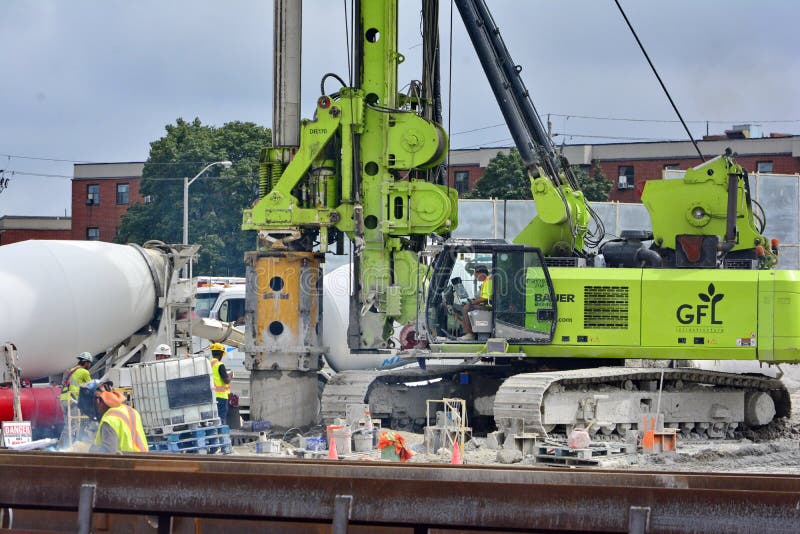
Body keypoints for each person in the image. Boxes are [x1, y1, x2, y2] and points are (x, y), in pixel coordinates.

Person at [83, 379, 149, 454]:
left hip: (124, 463)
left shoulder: (110, 419)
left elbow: (108, 452)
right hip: (141, 460)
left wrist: (88, 448)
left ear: (99, 400)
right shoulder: (131, 411)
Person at [459, 265, 492, 340]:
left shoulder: (489, 281)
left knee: (466, 308)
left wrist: (471, 303)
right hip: (487, 305)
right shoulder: (487, 281)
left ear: (481, 274)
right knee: (467, 306)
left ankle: (469, 334)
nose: (475, 277)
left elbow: (485, 298)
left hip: (488, 306)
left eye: (476, 275)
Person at [209, 342, 233, 424]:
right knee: (221, 419)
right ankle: (221, 436)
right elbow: (226, 380)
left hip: (211, 396)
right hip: (221, 397)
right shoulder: (220, 365)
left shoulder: (208, 363)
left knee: (213, 419)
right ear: (221, 354)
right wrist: (230, 375)